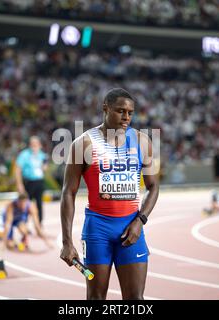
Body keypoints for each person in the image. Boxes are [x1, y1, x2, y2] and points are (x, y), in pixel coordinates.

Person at [60, 88, 159, 300]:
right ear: (105, 108)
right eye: (120, 111)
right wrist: (67, 241)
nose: (126, 117)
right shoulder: (84, 144)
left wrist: (140, 221)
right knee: (96, 298)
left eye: (130, 113)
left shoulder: (142, 142)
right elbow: (68, 192)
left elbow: (153, 187)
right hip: (98, 230)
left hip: (131, 229)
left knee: (135, 299)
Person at [15, 136, 48, 224]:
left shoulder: (42, 155)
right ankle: (23, 224)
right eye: (32, 144)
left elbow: (45, 167)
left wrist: (44, 166)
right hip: (28, 182)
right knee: (24, 205)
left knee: (39, 204)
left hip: (39, 182)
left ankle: (39, 225)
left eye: (36, 144)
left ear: (40, 145)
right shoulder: (24, 154)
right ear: (29, 145)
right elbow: (18, 170)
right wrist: (19, 185)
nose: (34, 146)